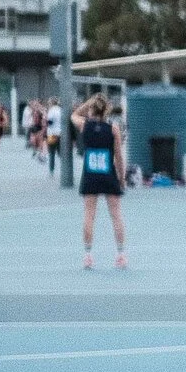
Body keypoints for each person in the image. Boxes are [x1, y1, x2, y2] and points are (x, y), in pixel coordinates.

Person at [71, 94, 126, 270]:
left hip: (90, 174)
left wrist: (87, 103)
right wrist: (122, 178)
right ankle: (120, 255)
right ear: (106, 111)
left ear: (91, 110)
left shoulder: (84, 125)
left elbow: (73, 115)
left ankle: (87, 256)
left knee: (89, 215)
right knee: (116, 214)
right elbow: (118, 157)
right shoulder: (113, 129)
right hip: (108, 174)